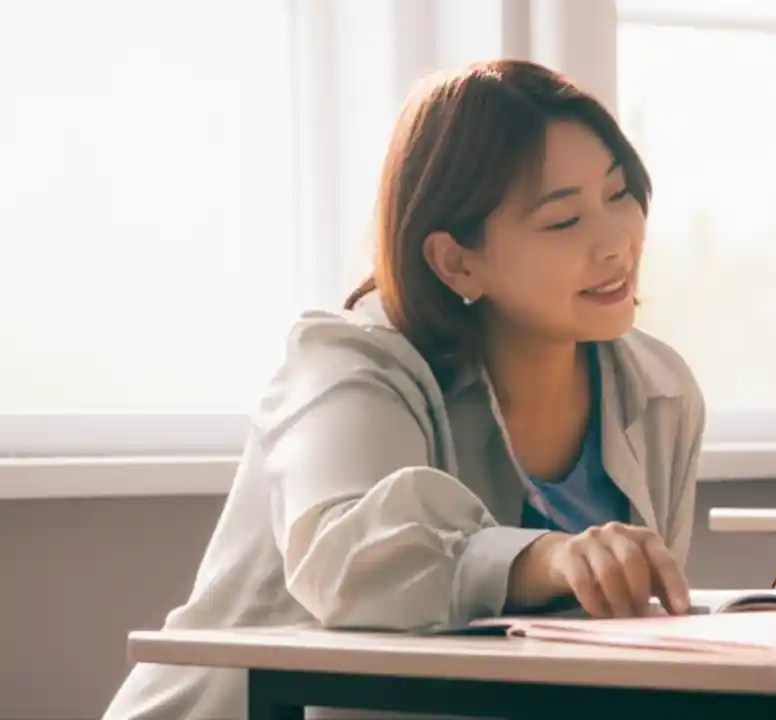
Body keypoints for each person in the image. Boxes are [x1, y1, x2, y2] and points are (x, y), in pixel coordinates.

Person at [105, 59, 704, 719]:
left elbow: (642, 650)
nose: (617, 242)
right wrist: (550, 559)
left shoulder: (659, 391)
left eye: (619, 195)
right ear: (455, 259)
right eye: (563, 222)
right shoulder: (347, 361)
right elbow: (352, 561)